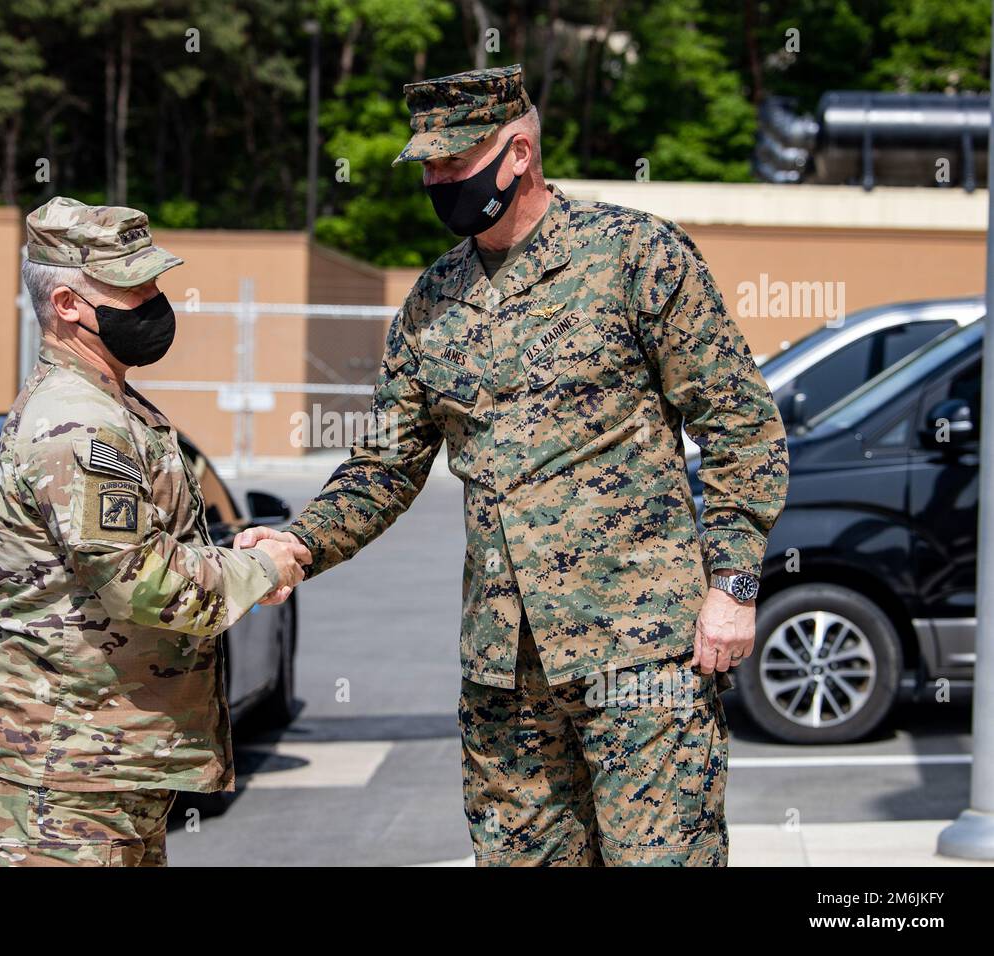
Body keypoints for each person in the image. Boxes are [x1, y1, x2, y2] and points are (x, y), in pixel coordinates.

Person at [237, 64, 789, 866]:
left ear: (518, 152)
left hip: (640, 656)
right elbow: (385, 465)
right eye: (426, 166)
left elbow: (742, 426)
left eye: (453, 164)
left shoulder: (636, 257)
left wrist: (732, 586)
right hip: (506, 674)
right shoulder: (431, 305)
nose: (436, 181)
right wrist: (299, 544)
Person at [0, 197, 309, 867]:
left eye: (154, 282)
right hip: (64, 777)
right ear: (66, 304)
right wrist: (264, 568)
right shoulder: (79, 424)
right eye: (132, 287)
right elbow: (141, 583)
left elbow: (143, 550)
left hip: (108, 765)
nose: (153, 301)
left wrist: (231, 555)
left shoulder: (112, 405)